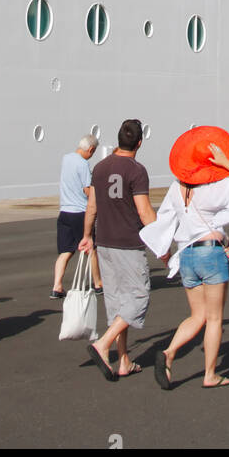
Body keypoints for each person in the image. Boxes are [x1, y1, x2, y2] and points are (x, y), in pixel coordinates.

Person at [141, 126, 229, 389]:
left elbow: (165, 219)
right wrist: (226, 162)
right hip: (210, 253)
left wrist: (164, 251)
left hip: (187, 257)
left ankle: (170, 352)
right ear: (210, 162)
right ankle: (210, 375)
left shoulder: (177, 187)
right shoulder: (214, 188)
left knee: (197, 315)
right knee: (214, 318)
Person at [79, 118, 156, 380]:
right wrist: (163, 242)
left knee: (116, 304)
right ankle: (103, 345)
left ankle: (124, 360)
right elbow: (145, 213)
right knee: (138, 298)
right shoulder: (137, 170)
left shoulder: (99, 168)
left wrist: (88, 236)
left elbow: (92, 207)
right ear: (139, 142)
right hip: (128, 243)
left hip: (104, 243)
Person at [52, 135, 101, 300]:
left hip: (64, 211)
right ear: (91, 149)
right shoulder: (83, 164)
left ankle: (57, 286)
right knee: (91, 249)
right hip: (80, 212)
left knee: (66, 251)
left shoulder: (66, 159)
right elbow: (87, 190)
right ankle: (98, 283)